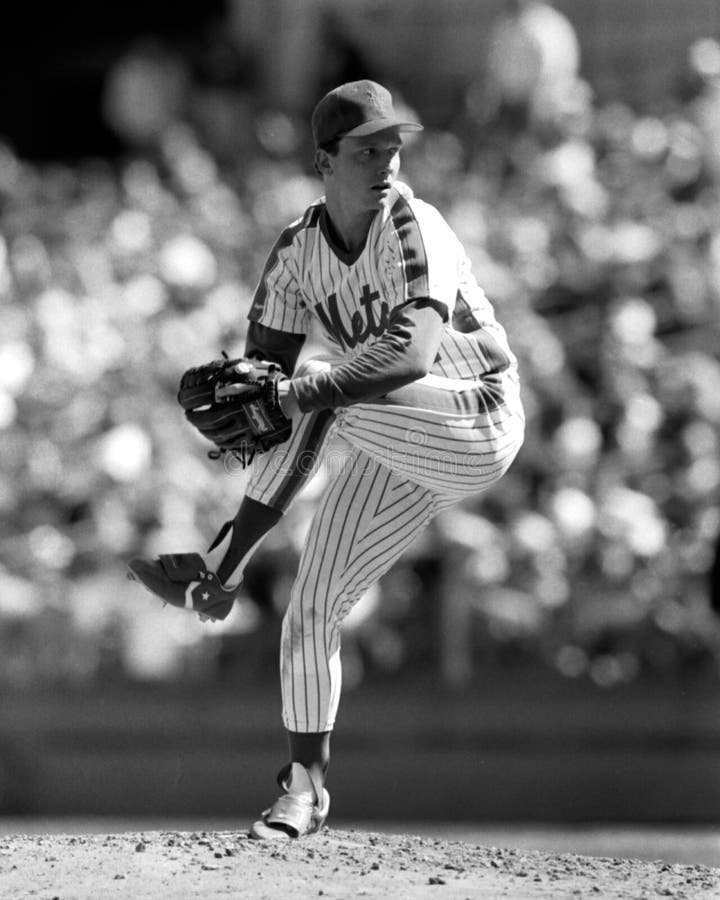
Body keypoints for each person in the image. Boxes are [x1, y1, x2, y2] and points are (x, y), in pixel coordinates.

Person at [128, 79, 525, 839]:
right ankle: (304, 790)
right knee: (311, 606)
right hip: (396, 445)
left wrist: (289, 400)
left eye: (393, 146)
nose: (387, 160)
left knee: (317, 395)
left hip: (476, 418)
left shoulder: (416, 224)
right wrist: (270, 399)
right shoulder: (297, 251)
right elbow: (265, 392)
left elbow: (408, 357)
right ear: (324, 161)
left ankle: (219, 569)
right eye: (367, 148)